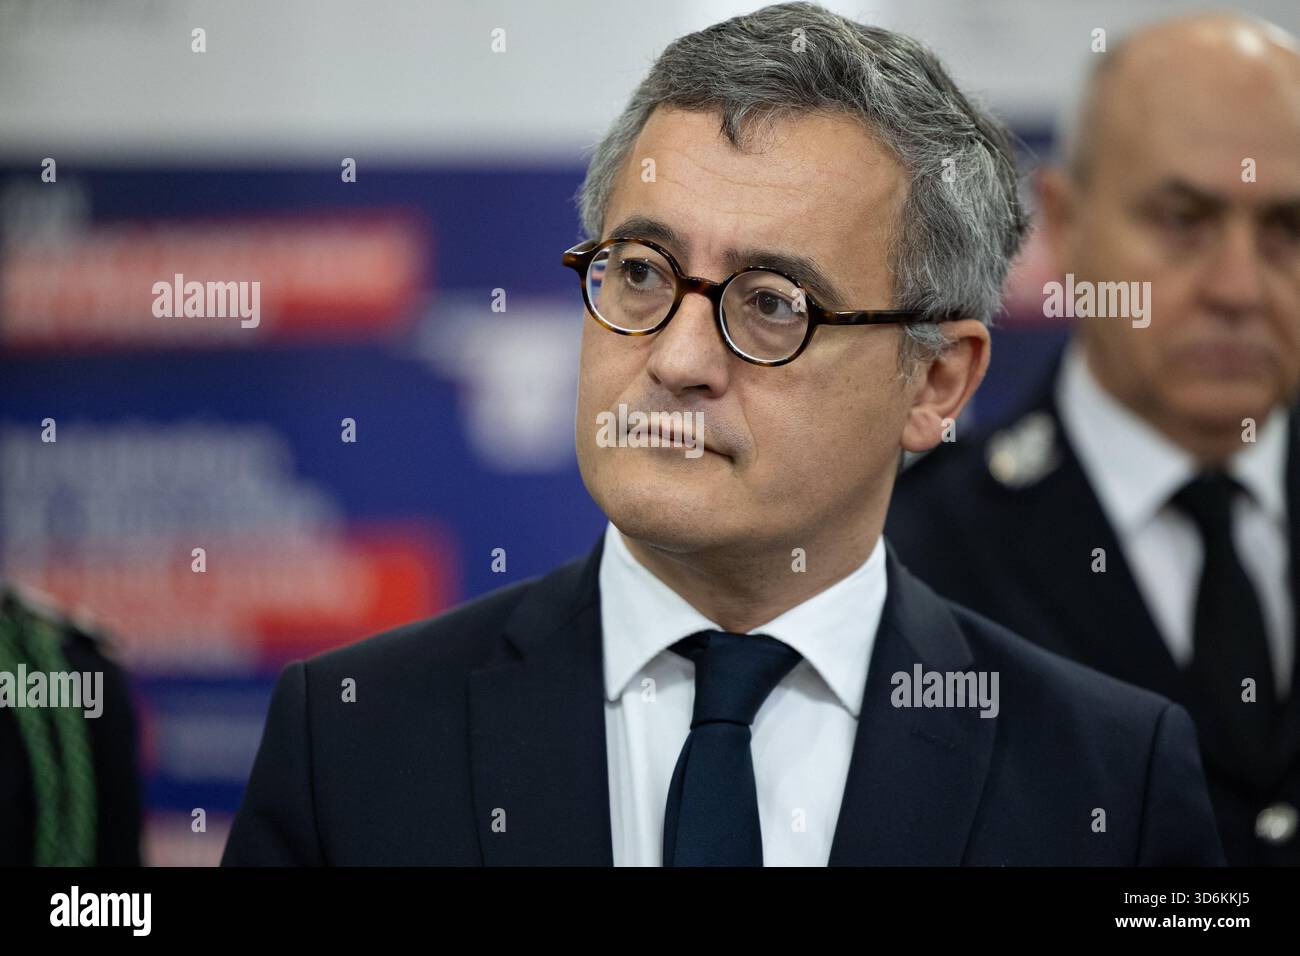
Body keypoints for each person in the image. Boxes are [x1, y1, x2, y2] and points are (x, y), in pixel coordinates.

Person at [223, 2, 1222, 866]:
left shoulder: (1108, 777)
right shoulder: (353, 735)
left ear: (935, 379)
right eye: (643, 272)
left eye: (772, 303)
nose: (676, 358)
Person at [887, 13, 1300, 865]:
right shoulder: (913, 556)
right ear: (1065, 225)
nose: (1238, 287)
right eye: (1182, 219)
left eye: (1287, 230)